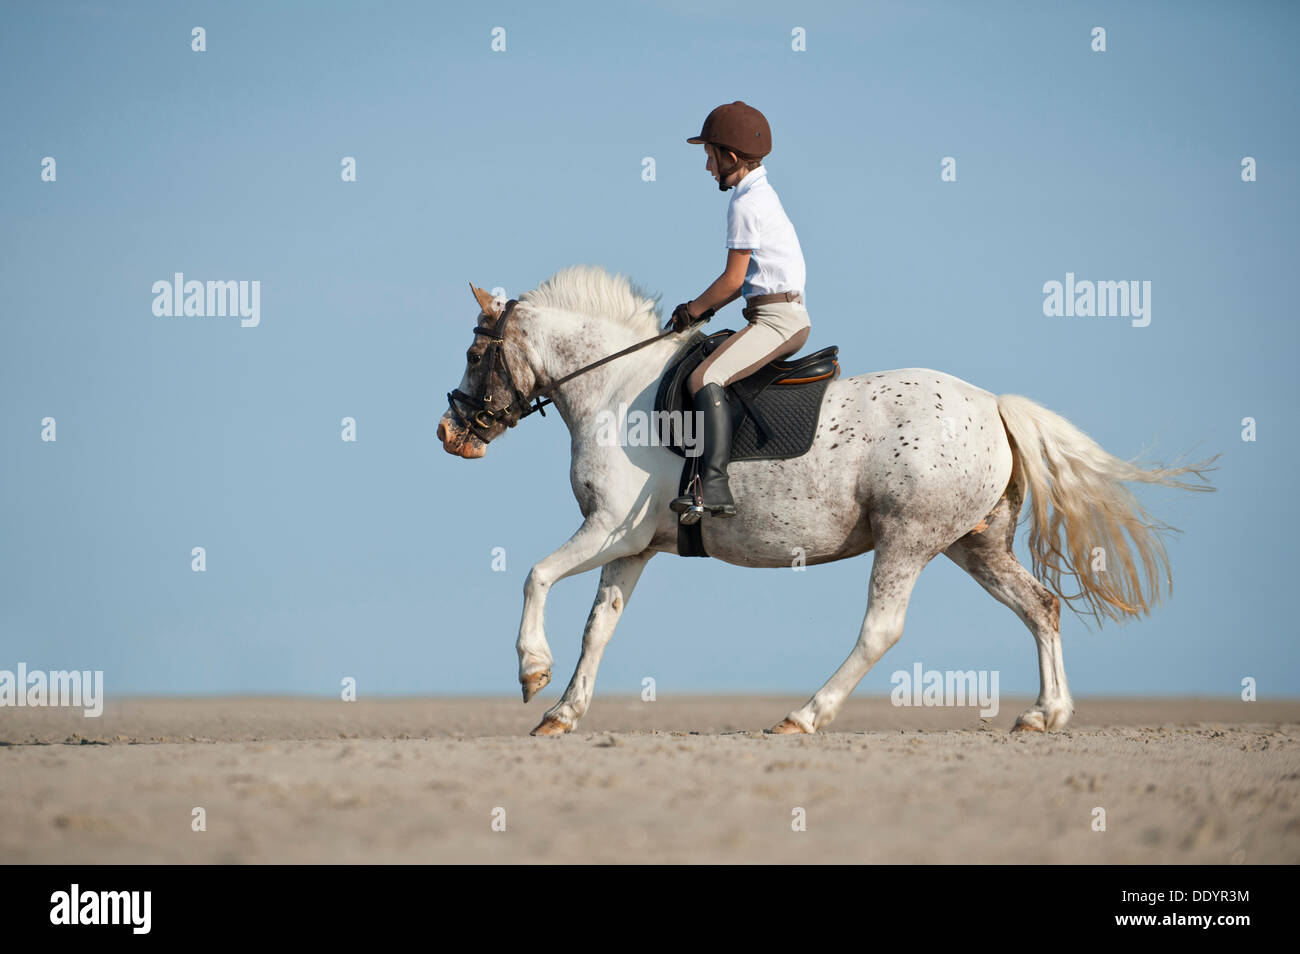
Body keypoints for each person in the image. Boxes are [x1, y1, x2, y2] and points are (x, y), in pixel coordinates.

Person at [668, 100, 811, 518]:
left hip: (778, 320)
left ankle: (712, 485)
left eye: (710, 157)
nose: (708, 167)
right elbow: (743, 282)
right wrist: (701, 312)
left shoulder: (745, 204)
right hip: (774, 312)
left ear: (730, 157)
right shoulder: (760, 194)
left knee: (704, 377)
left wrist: (693, 308)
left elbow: (733, 280)